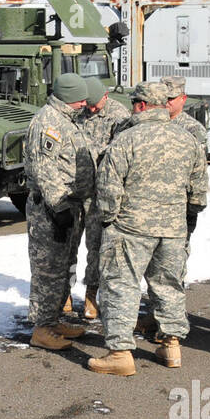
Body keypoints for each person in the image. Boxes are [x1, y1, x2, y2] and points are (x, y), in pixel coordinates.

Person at [88, 82, 207, 376]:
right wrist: (185, 218)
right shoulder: (187, 139)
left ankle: (120, 353)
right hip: (173, 229)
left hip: (130, 228)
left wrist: (108, 219)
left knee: (121, 286)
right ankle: (171, 346)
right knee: (169, 286)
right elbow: (199, 191)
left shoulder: (126, 140)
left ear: (141, 105)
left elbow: (108, 189)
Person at [25, 72, 93, 351]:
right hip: (51, 209)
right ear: (67, 97)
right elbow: (46, 170)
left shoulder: (65, 119)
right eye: (79, 100)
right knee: (48, 269)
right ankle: (42, 328)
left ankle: (52, 320)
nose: (83, 105)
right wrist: (60, 206)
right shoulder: (48, 123)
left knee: (63, 265)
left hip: (69, 204)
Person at [135, 74, 207, 337]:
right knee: (152, 270)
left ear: (183, 100)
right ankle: (154, 317)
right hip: (147, 211)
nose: (166, 103)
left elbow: (197, 176)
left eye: (171, 99)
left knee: (172, 271)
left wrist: (192, 211)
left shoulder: (192, 130)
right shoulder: (143, 126)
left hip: (177, 213)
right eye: (162, 99)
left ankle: (168, 326)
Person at [66, 76, 130, 321]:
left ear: (105, 96)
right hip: (74, 193)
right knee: (68, 247)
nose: (91, 110)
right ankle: (65, 294)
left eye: (95, 105)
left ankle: (91, 296)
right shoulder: (78, 112)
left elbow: (120, 156)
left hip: (98, 196)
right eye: (87, 105)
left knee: (95, 248)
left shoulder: (119, 116)